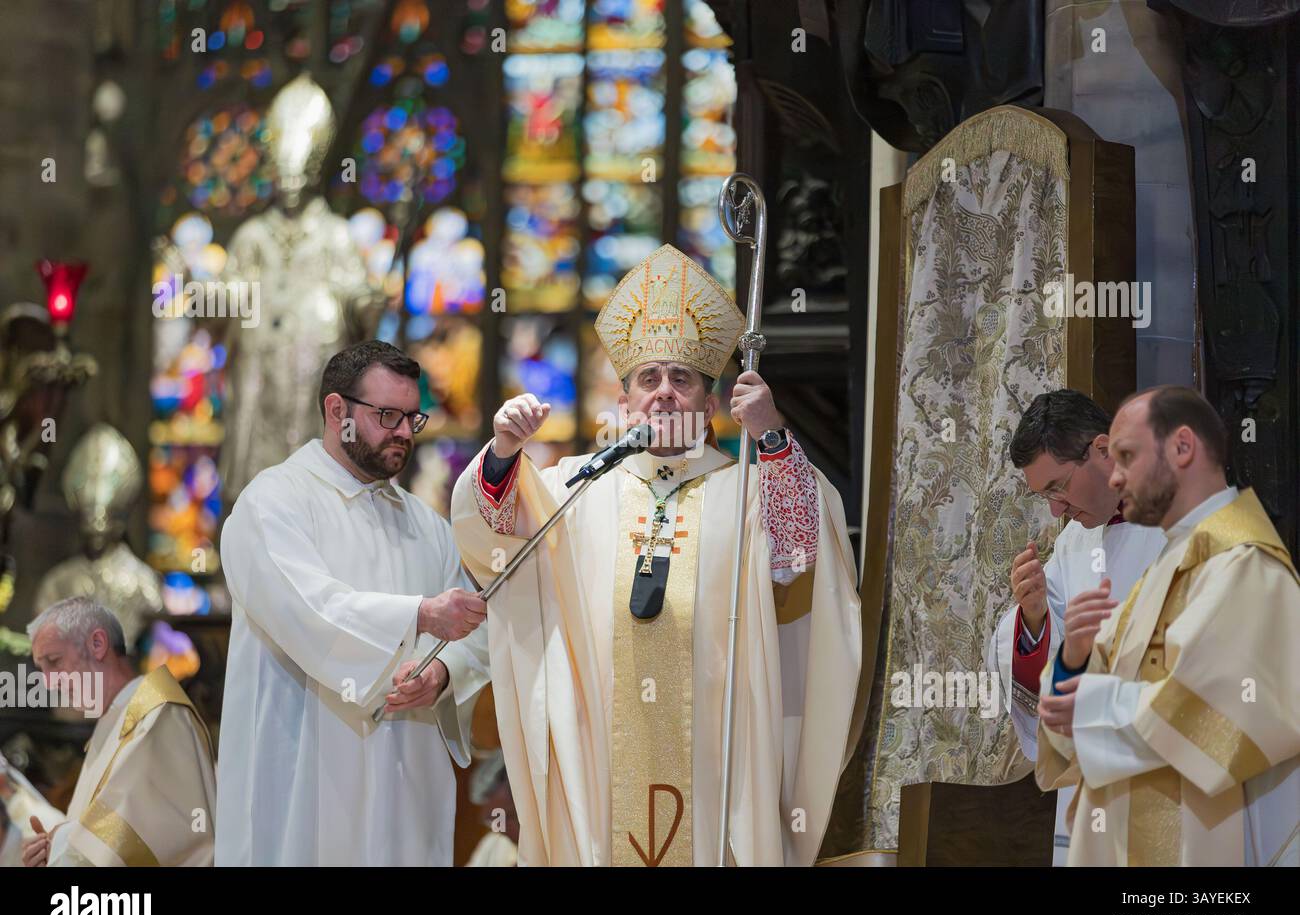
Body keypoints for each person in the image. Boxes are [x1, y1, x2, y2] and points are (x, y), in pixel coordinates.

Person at [451, 244, 861, 866]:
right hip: (601, 743)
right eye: (649, 379)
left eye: (682, 379)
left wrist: (772, 434)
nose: (664, 393)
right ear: (624, 402)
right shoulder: (575, 488)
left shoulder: (751, 488)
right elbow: (494, 543)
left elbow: (802, 557)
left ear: (709, 403)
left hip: (718, 747)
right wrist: (505, 450)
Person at [216, 340, 490, 865]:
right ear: (336, 410)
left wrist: (442, 674)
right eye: (387, 415)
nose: (404, 432)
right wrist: (418, 615)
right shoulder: (272, 504)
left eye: (412, 418)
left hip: (408, 793)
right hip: (303, 785)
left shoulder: (426, 525)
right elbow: (309, 611)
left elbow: (473, 630)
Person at [1037, 385, 1300, 865]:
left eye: (1127, 457)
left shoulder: (1246, 565)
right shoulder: (1167, 567)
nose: (1115, 477)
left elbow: (1224, 715)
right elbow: (1077, 696)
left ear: (1182, 447)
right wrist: (1070, 666)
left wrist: (1088, 706)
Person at [984, 389, 1164, 864]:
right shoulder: (1074, 546)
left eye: (1058, 486)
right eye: (1045, 495)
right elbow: (1036, 662)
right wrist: (1034, 618)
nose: (1055, 509)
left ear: (1102, 450)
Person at [22, 597, 215, 866]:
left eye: (54, 661)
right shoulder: (113, 719)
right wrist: (51, 853)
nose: (49, 683)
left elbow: (154, 831)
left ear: (97, 644)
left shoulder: (158, 713)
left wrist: (59, 844)